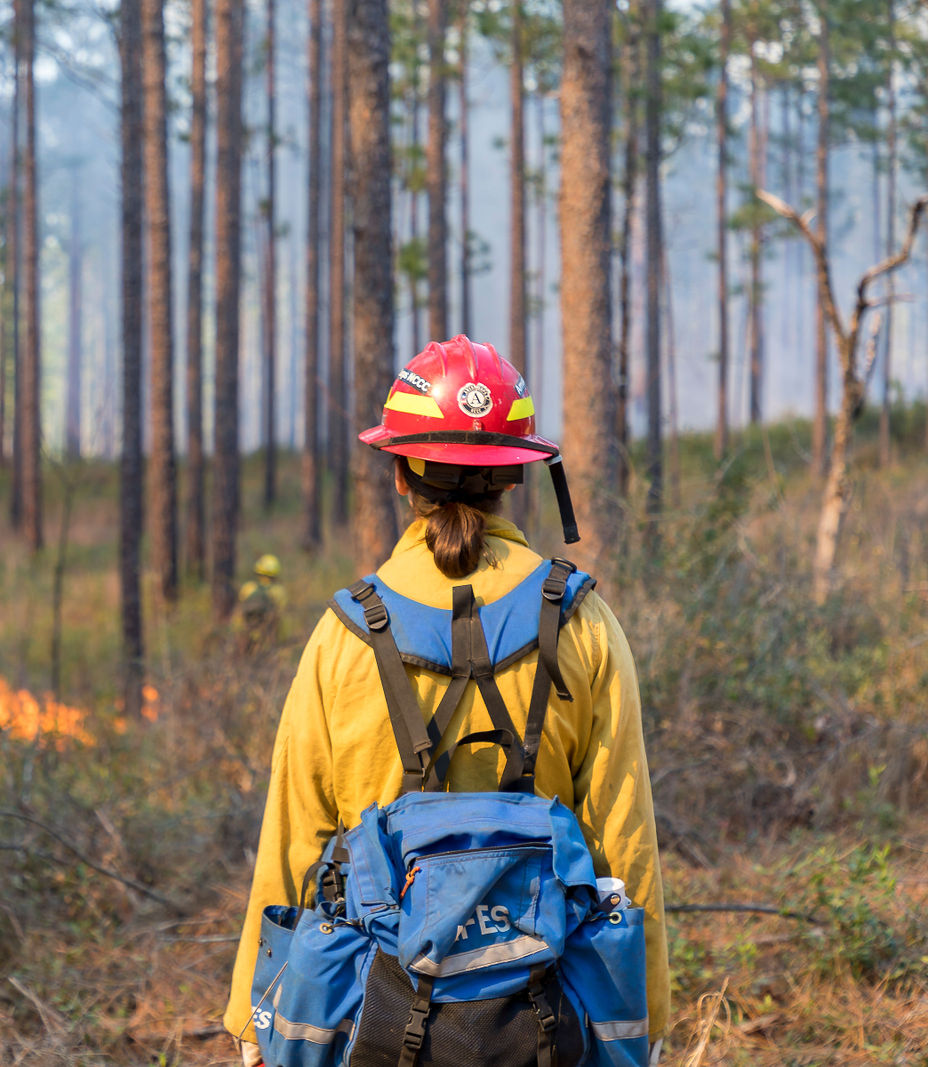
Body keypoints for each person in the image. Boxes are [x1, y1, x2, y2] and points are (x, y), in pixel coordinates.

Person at [225, 336, 668, 1065]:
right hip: (549, 1018)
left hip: (379, 1013)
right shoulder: (584, 620)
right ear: (517, 476)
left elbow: (294, 835)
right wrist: (646, 1015)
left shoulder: (345, 634)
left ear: (402, 474)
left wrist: (255, 1013)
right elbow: (627, 839)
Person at [237, 554, 287, 649]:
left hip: (247, 634)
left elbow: (239, 613)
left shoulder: (247, 588)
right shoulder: (279, 591)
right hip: (267, 637)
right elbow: (281, 617)